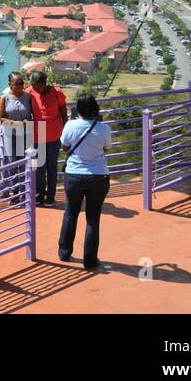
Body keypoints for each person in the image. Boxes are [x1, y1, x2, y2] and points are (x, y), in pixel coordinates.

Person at [58, 92, 113, 270]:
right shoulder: (104, 128)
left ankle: (64, 252)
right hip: (98, 176)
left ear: (78, 109)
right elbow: (107, 148)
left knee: (70, 213)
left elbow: (65, 147)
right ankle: (90, 260)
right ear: (96, 109)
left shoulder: (70, 125)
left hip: (74, 175)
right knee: (93, 219)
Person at [26, 70, 67, 205]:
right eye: (33, 85)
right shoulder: (30, 92)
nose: (35, 89)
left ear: (44, 83)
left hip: (54, 133)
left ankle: (50, 196)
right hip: (38, 133)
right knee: (38, 168)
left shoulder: (56, 92)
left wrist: (66, 129)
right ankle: (38, 195)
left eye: (37, 86)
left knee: (51, 167)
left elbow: (63, 110)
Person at [0, 72, 32, 203]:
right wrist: (15, 123)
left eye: (22, 83)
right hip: (9, 135)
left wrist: (27, 122)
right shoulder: (5, 98)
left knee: (24, 164)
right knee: (12, 164)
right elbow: (0, 119)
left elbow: (33, 115)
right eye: (17, 83)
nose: (20, 86)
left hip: (25, 135)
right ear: (10, 84)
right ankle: (14, 192)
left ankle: (24, 192)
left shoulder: (28, 97)